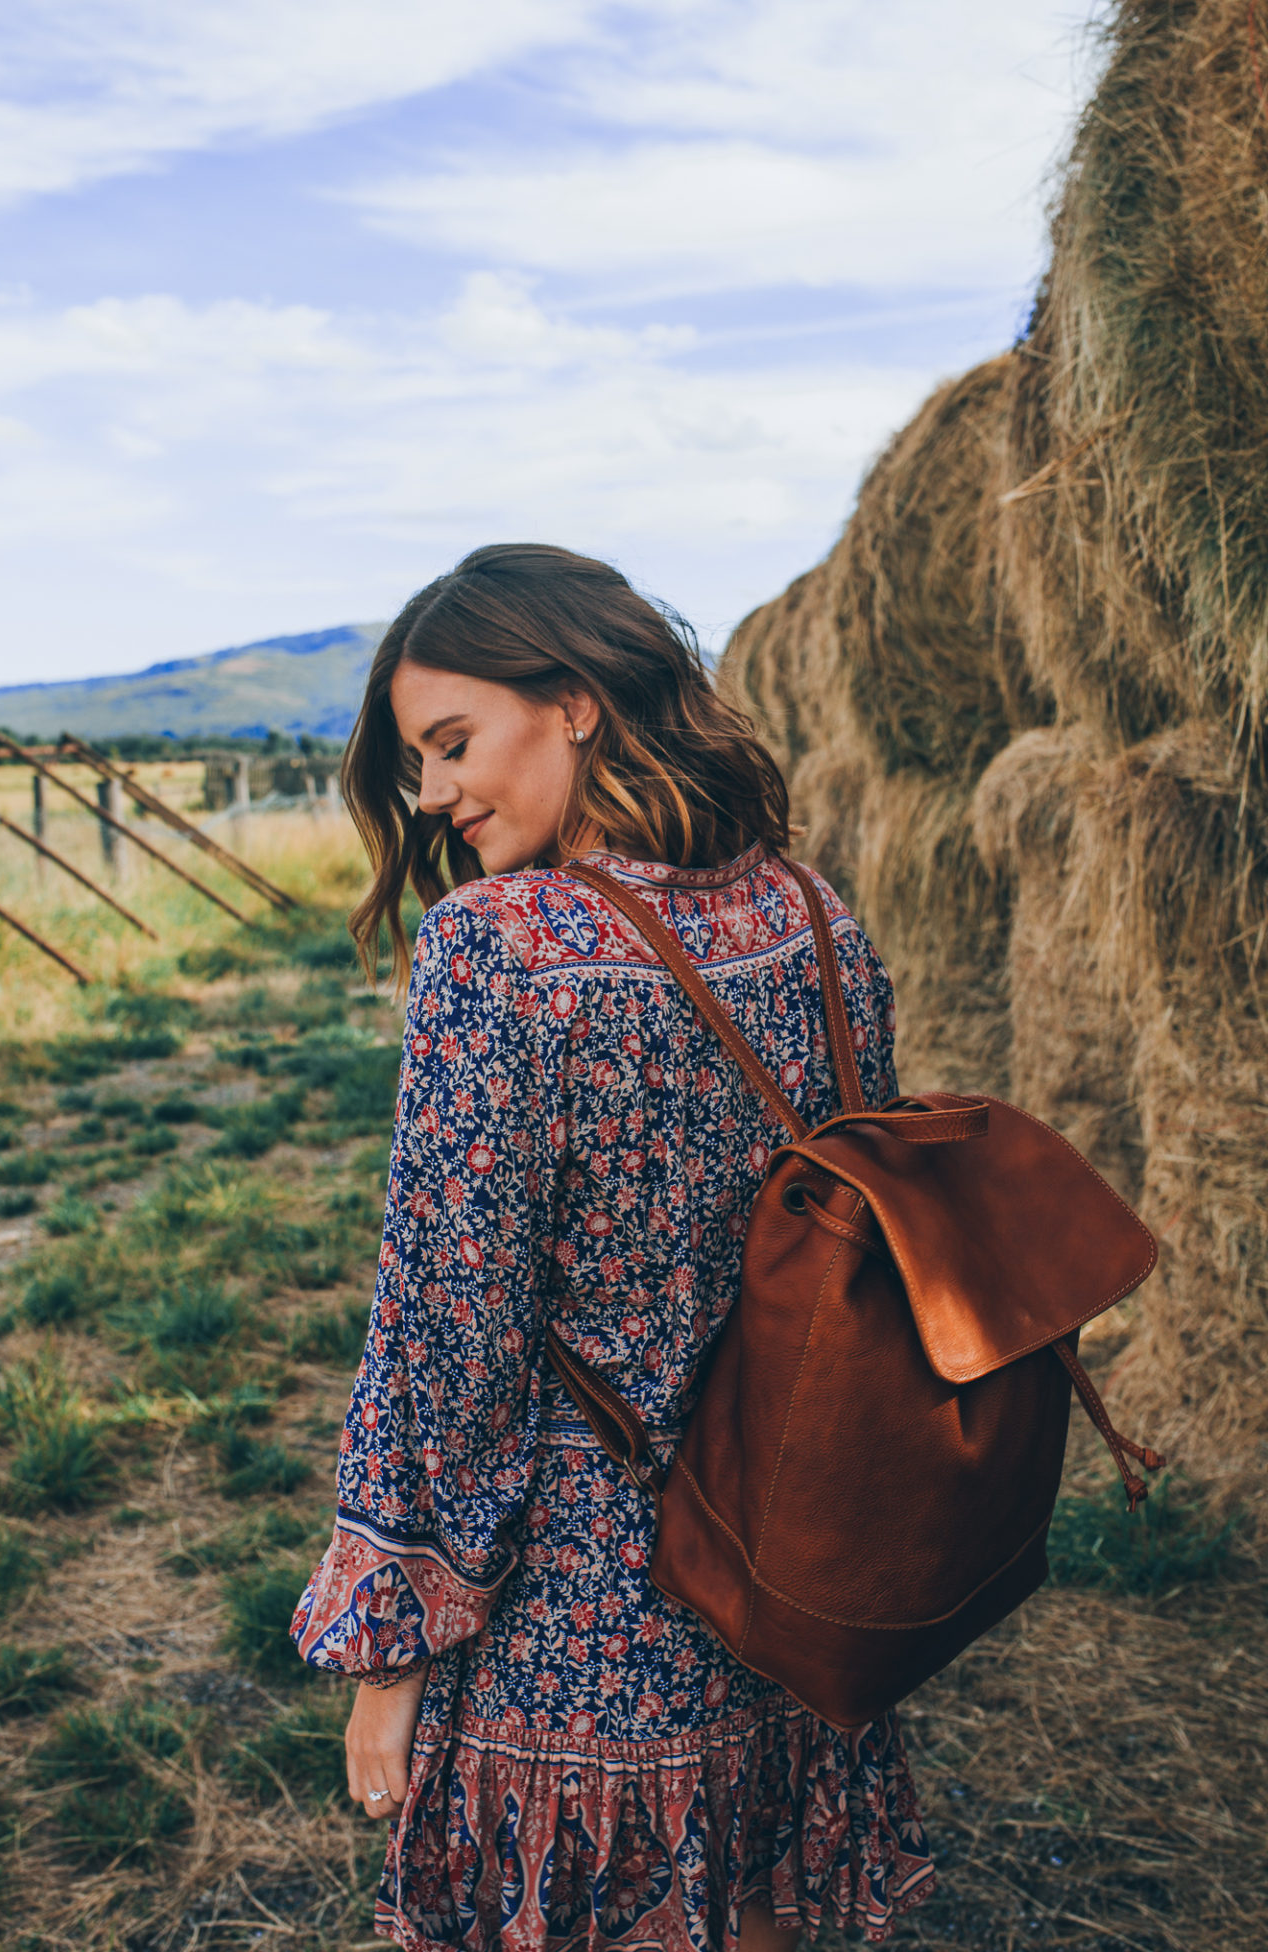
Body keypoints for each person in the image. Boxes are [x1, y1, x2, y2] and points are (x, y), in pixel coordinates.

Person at [291, 544, 935, 1952]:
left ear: (575, 700)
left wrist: (394, 1642)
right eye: (418, 767)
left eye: (453, 744)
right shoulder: (815, 919)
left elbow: (447, 1334)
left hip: (582, 1600)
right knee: (745, 1902)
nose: (438, 797)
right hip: (787, 1548)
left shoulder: (495, 952)